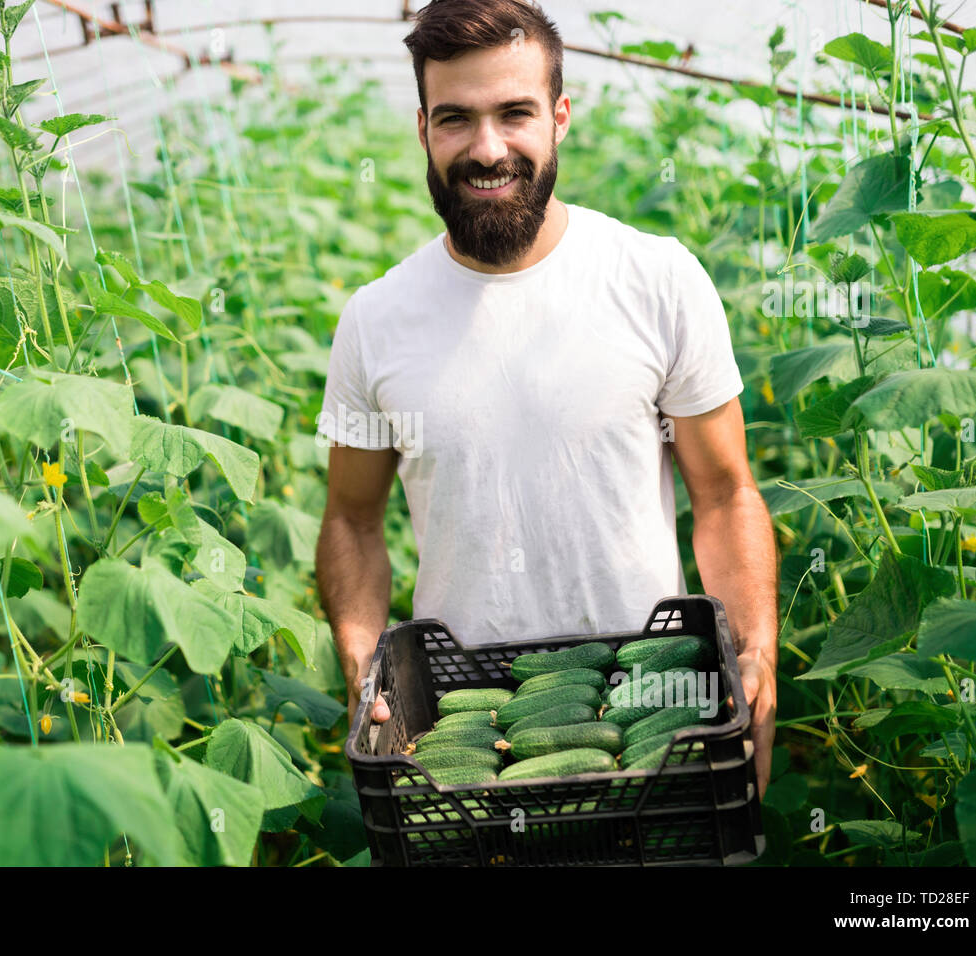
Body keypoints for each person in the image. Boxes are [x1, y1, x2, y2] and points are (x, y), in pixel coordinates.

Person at [314, 0, 778, 796]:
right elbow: (352, 518)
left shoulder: (656, 281)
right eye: (456, 118)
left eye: (515, 113)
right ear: (423, 128)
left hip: (648, 707)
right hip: (461, 730)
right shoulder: (375, 319)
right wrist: (361, 656)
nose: (488, 148)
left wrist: (756, 648)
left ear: (560, 116)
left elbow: (726, 493)